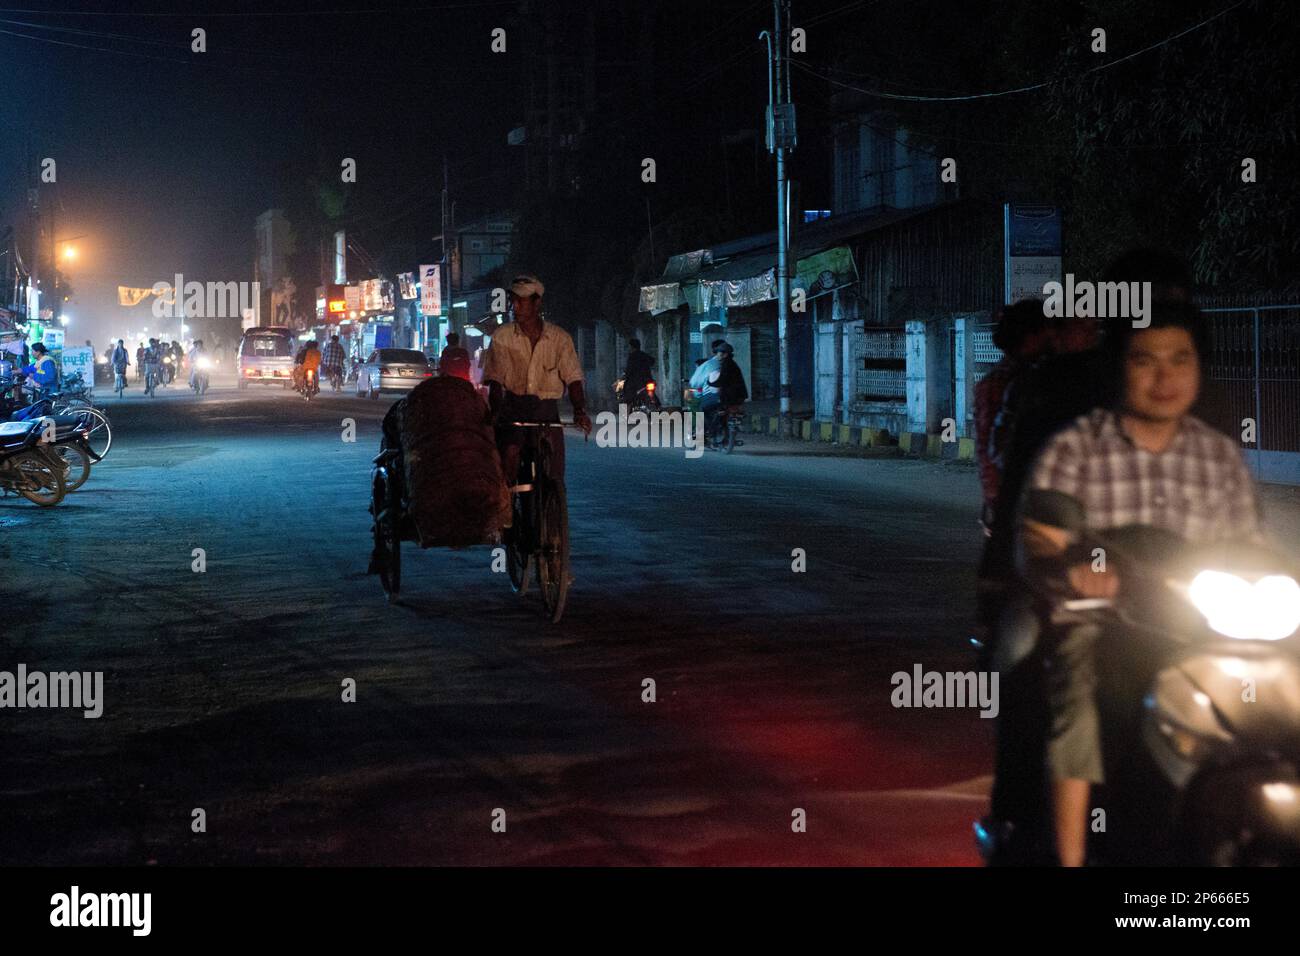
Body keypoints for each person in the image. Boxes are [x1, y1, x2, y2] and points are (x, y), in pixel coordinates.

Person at [1019, 300, 1260, 867]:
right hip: (1099, 624)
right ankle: (1071, 857)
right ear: (1119, 368)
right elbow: (1039, 540)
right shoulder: (1075, 448)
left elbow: (1248, 547)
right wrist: (1073, 568)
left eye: (1180, 360)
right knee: (1076, 713)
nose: (1165, 377)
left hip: (1201, 632)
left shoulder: (1219, 458)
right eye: (1145, 361)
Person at [482, 274, 590, 489]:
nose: (515, 306)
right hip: (514, 409)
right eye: (513, 301)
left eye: (521, 301)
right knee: (509, 456)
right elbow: (495, 381)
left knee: (555, 471)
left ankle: (553, 508)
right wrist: (495, 413)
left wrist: (579, 410)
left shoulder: (560, 338)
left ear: (536, 302)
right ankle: (507, 509)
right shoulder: (502, 337)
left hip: (547, 412)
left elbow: (573, 378)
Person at [974, 300, 1054, 528]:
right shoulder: (999, 384)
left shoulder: (1046, 375)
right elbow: (988, 450)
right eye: (1046, 328)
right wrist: (996, 501)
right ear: (1030, 337)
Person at [699, 340, 748, 441]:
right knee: (722, 411)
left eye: (720, 354)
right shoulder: (732, 364)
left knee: (705, 407)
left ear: (725, 354)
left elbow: (721, 381)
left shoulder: (726, 365)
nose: (718, 356)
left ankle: (712, 431)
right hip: (740, 396)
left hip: (729, 397)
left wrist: (709, 383)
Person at [621, 338, 655, 404]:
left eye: (629, 346)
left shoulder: (632, 357)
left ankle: (624, 413)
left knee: (626, 398)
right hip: (647, 381)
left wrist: (624, 376)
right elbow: (652, 361)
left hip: (636, 383)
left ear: (631, 347)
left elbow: (629, 370)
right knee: (653, 396)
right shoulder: (644, 355)